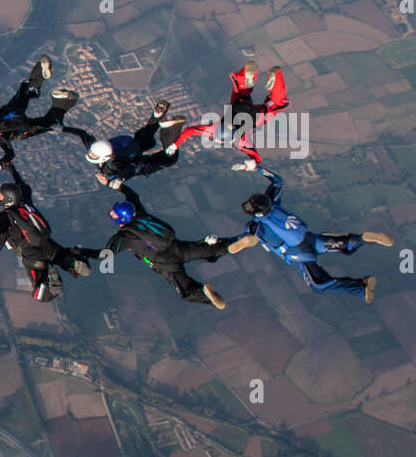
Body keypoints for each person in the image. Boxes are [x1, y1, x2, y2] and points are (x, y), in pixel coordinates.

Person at [241, 168, 393, 302]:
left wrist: (221, 244)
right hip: (309, 238)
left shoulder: (255, 226)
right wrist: (256, 168)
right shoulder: (272, 203)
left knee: (319, 286)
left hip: (297, 254)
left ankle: (360, 289)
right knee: (345, 244)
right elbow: (278, 181)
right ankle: (360, 239)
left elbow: (245, 240)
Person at [0, 158, 100, 302]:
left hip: (31, 255)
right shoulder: (25, 201)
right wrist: (6, 166)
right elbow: (20, 183)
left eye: (0, 194)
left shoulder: (5, 216)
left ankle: (52, 285)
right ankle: (72, 263)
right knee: (60, 256)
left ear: (7, 200)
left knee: (40, 294)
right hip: (48, 245)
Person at [105, 183, 258, 309]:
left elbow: (105, 253)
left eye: (114, 214)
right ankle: (229, 246)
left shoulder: (125, 236)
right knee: (207, 250)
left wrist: (82, 253)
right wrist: (117, 185)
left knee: (186, 291)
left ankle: (203, 294)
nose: (112, 213)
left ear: (121, 219)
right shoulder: (140, 215)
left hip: (166, 265)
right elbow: (133, 197)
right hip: (177, 247)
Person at [0, 55, 80, 165]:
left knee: (44, 117)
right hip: (20, 121)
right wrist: (1, 162)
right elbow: (10, 152)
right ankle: (45, 83)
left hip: (18, 118)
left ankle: (55, 95)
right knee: (28, 92)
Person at [167, 61, 289, 169]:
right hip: (238, 106)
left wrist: (247, 165)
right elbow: (189, 131)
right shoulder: (213, 130)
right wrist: (175, 145)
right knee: (241, 90)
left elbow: (256, 158)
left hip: (255, 115)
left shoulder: (240, 141)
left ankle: (276, 78)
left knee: (277, 104)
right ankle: (245, 77)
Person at [63, 100, 186, 188]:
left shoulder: (113, 164)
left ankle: (172, 128)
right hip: (131, 151)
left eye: (92, 154)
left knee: (169, 159)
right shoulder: (99, 149)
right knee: (143, 140)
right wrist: (63, 128)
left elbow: (130, 171)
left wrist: (117, 180)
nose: (91, 154)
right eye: (91, 153)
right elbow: (82, 134)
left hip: (138, 161)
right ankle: (156, 116)